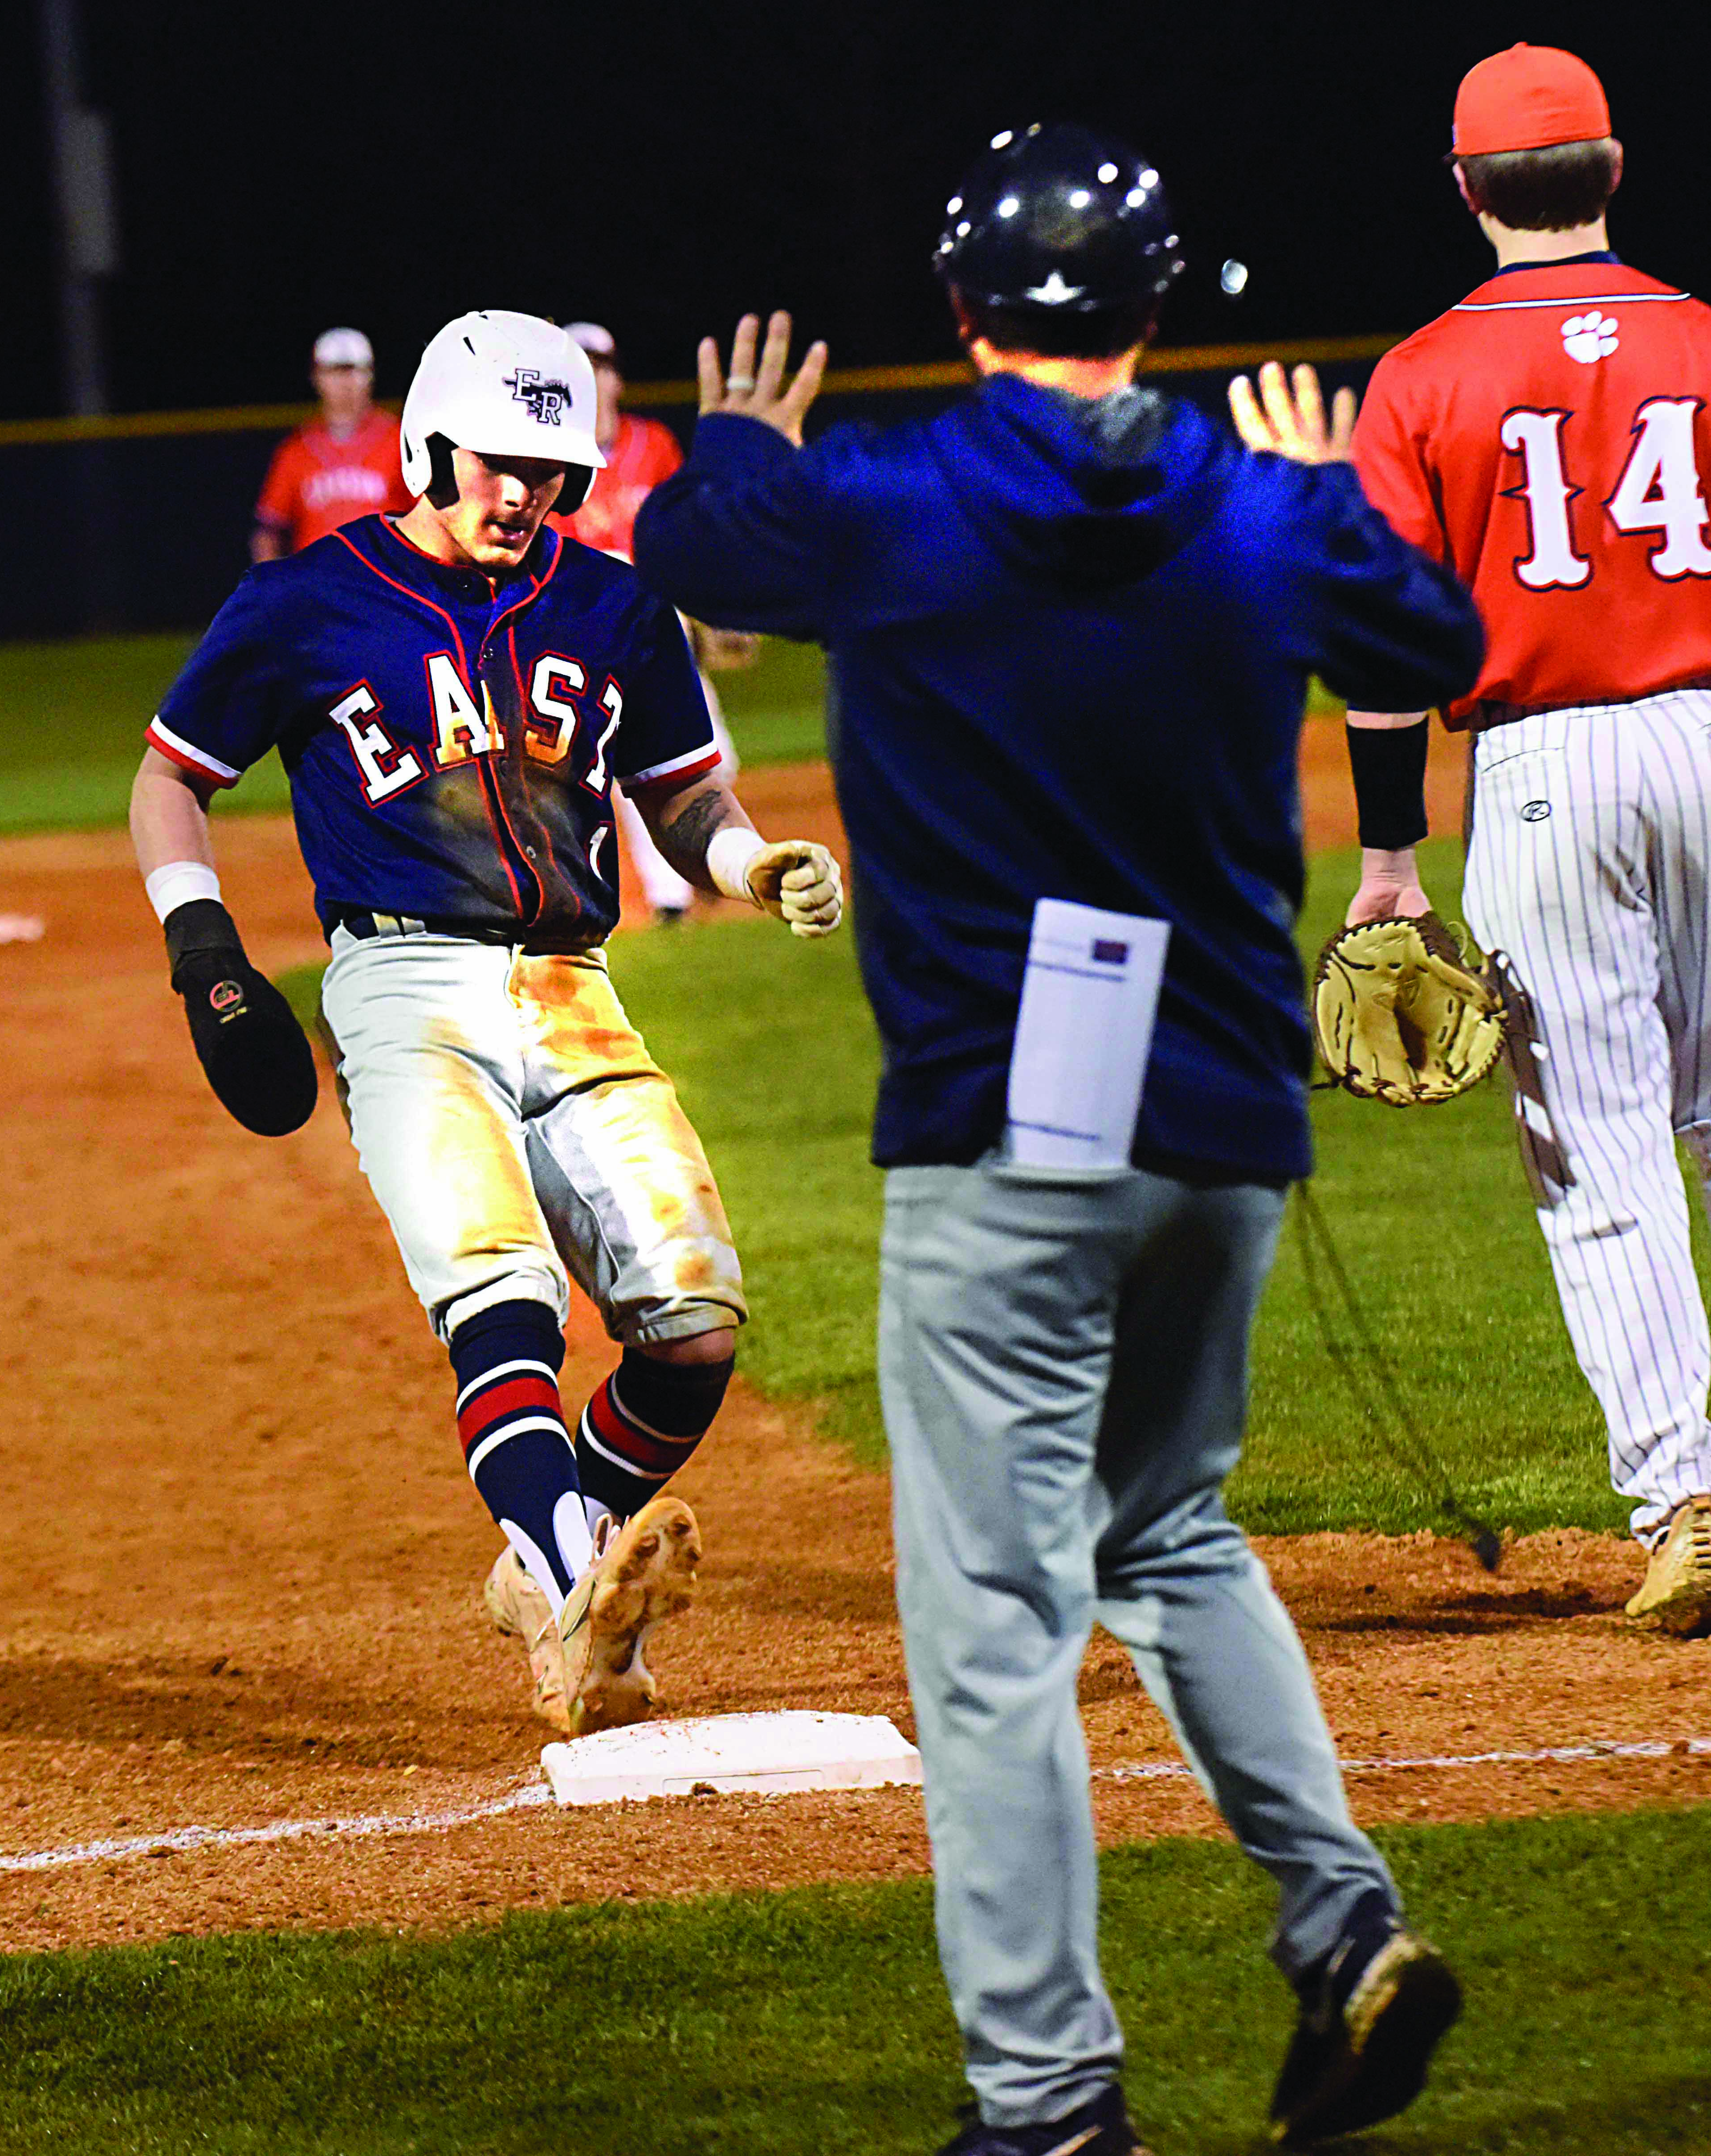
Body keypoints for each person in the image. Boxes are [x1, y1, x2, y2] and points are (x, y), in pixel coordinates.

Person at [636, 124, 1481, 2155]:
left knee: (997, 1621)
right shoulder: (1259, 510)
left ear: (961, 306)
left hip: (1005, 1129)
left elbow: (695, 541)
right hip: (1215, 1126)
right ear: (1161, 305)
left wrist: (748, 433)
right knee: (1168, 1525)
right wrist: (1328, 488)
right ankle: (1343, 1917)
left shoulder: (892, 505)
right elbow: (1439, 651)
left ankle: (1046, 2097)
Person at [130, 309, 843, 1736]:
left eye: (553, 471)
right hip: (404, 985)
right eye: (498, 463)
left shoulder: (612, 604)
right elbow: (171, 778)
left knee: (695, 1324)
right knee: (498, 1288)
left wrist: (749, 862)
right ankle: (583, 1576)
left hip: (575, 984)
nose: (526, 494)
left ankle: (552, 1557)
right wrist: (204, 951)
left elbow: (683, 796)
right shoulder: (306, 601)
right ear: (427, 444)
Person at [1267, 42, 1711, 1639]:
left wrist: (1388, 861)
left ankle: (1686, 1496)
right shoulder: (1700, 339)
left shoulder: (1420, 377)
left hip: (1541, 768)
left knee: (1596, 1146)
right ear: (1609, 171)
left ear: (1463, 191)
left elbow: (1386, 648)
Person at [552, 319, 759, 925]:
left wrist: (717, 603)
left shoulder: (654, 445)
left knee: (715, 757)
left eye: (601, 365)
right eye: (578, 366)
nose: (592, 377)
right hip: (589, 631)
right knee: (630, 764)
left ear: (616, 378)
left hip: (664, 626)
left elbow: (685, 538)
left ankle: (707, 858)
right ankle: (670, 898)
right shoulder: (549, 461)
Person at [251, 327, 411, 562]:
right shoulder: (296, 449)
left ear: (371, 374)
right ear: (316, 376)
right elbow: (269, 531)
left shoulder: (399, 439)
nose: (345, 382)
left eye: (353, 370)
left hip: (384, 582)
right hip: (317, 585)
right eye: (335, 371)